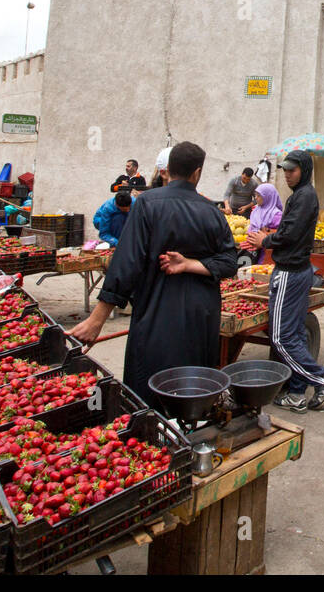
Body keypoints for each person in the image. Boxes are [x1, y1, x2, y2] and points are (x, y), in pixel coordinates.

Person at [69, 143, 238, 404]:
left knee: (149, 389)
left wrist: (97, 319)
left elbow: (126, 262)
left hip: (156, 313)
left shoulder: (147, 203)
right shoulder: (211, 212)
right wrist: (191, 264)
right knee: (193, 388)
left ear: (167, 171)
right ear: (197, 173)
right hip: (200, 317)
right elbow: (229, 263)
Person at [246, 151, 324, 413]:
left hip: (289, 272)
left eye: (292, 170)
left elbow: (289, 234)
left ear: (305, 170)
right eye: (285, 170)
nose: (287, 174)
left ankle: (323, 381)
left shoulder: (304, 196)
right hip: (297, 271)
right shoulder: (300, 196)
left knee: (280, 337)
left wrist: (264, 241)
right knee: (296, 334)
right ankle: (297, 392)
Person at [245, 183, 283, 263]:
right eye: (255, 195)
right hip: (254, 252)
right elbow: (251, 228)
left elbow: (281, 235)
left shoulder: (276, 215)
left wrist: (264, 235)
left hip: (269, 254)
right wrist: (250, 237)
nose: (256, 198)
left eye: (259, 195)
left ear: (267, 197)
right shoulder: (255, 211)